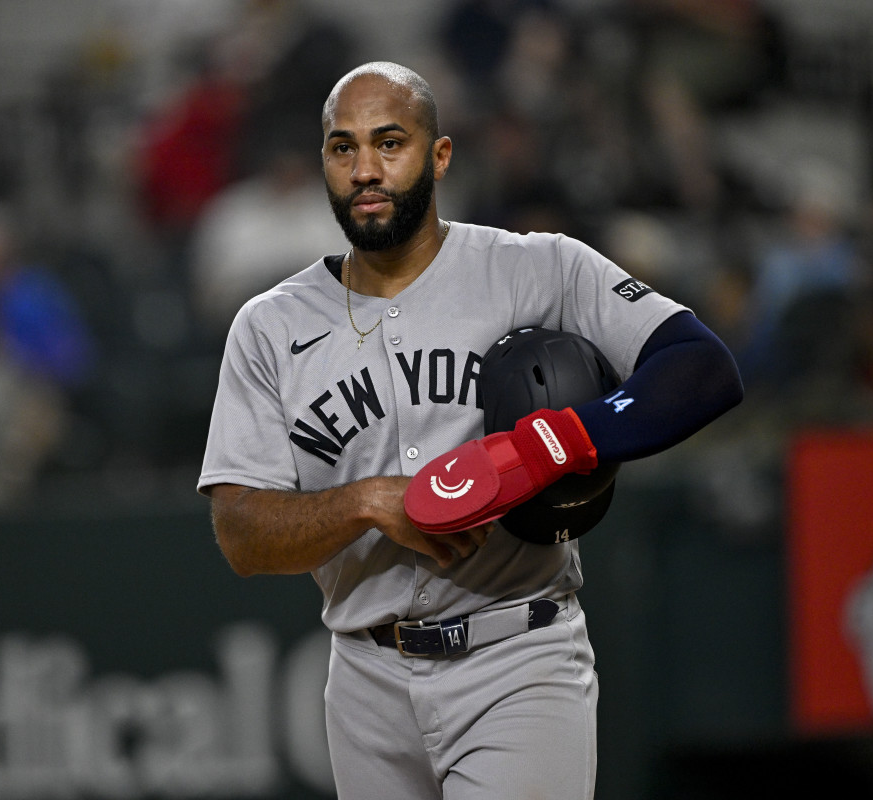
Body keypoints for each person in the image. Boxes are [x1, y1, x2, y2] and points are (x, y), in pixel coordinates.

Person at [198, 62, 743, 800]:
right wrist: (365, 502)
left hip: (515, 655)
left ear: (441, 154)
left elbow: (700, 367)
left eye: (390, 143)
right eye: (343, 148)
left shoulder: (534, 267)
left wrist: (554, 445)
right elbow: (240, 533)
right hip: (364, 676)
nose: (365, 169)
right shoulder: (269, 326)